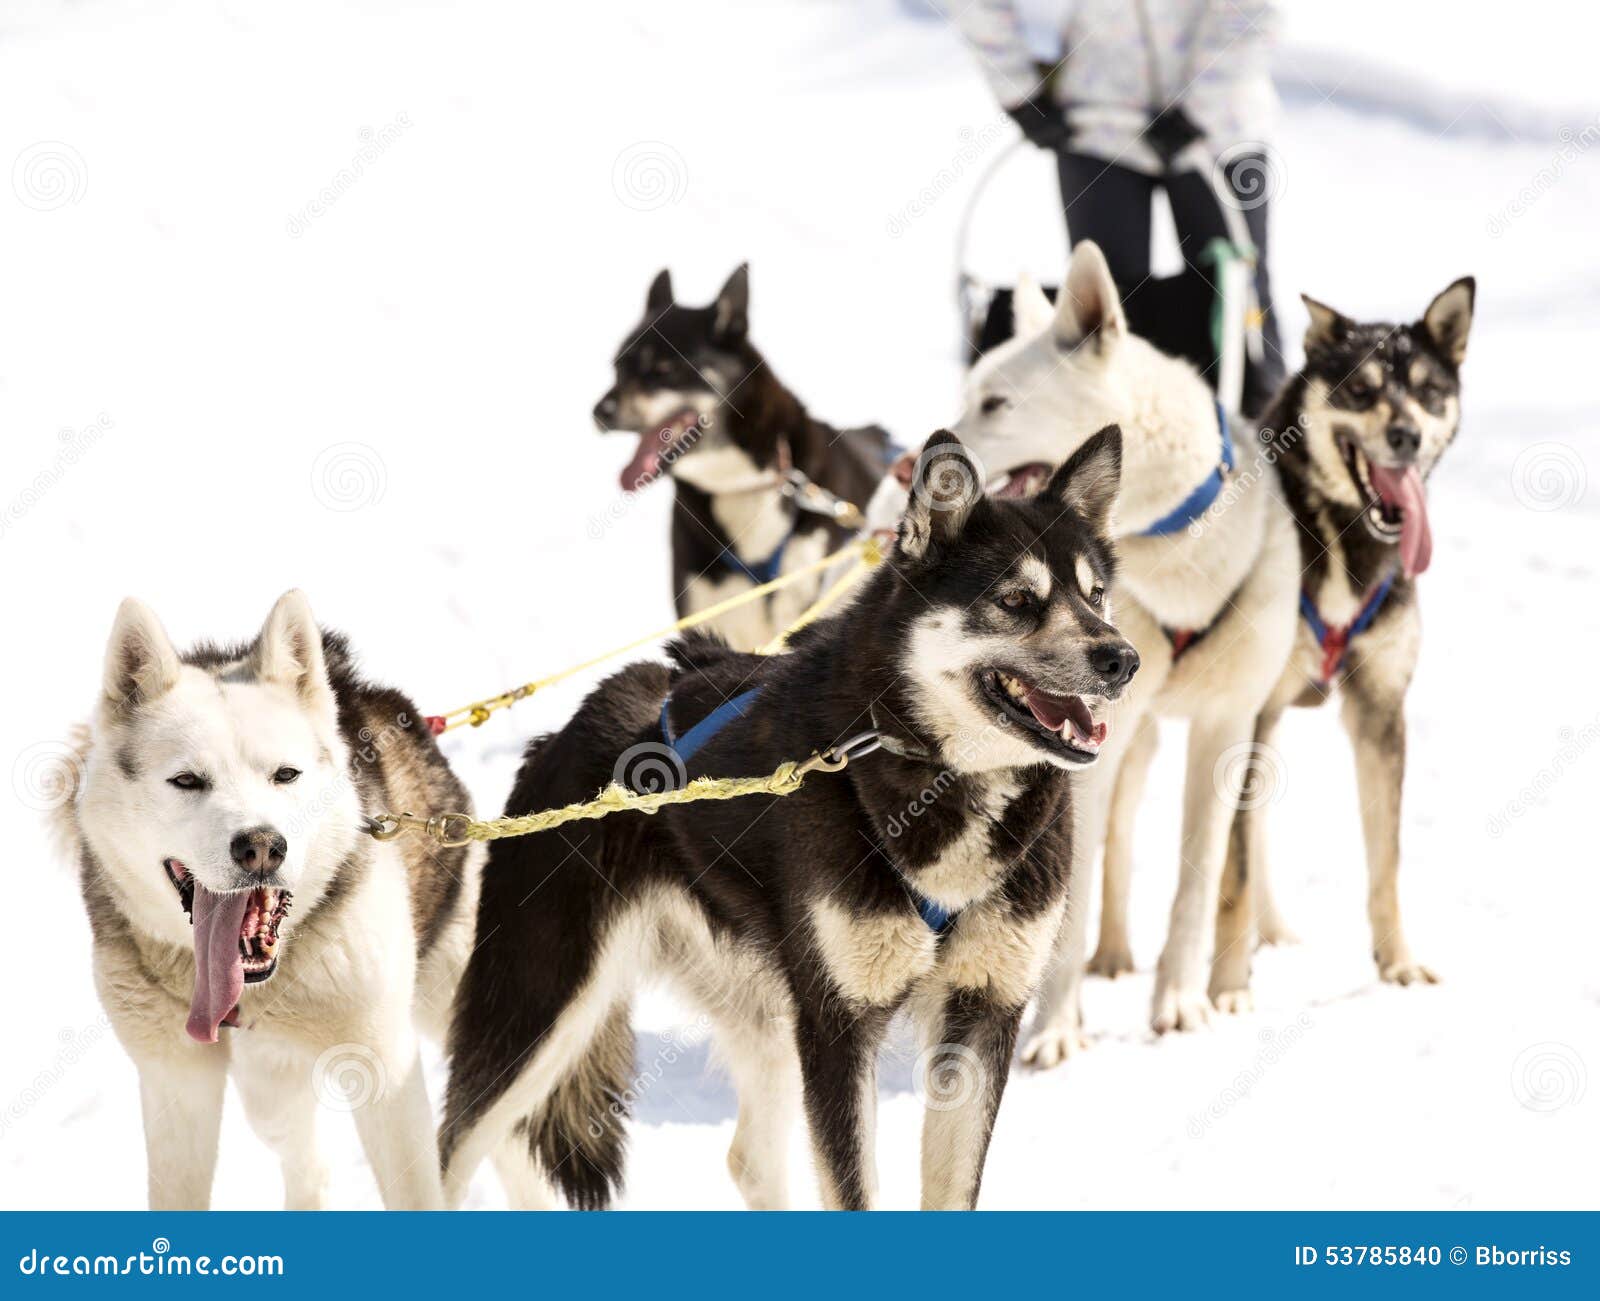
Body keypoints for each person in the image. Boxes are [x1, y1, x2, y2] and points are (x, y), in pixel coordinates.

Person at [958, 0, 1286, 409]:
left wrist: (1200, 107)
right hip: (1099, 124)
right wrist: (1018, 90)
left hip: (1220, 130)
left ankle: (1266, 443)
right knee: (1109, 306)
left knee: (1240, 301)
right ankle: (1123, 446)